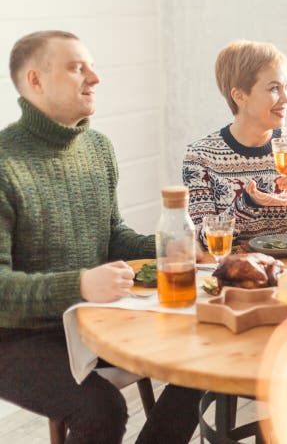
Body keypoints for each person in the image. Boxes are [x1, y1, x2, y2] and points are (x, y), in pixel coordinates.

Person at [0, 30, 202, 443]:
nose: (95, 78)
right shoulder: (5, 163)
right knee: (102, 407)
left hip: (94, 321)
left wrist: (169, 250)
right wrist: (79, 284)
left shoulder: (98, 148)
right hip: (18, 340)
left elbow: (112, 238)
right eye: (77, 68)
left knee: (201, 357)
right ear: (35, 81)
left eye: (91, 66)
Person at [183, 40, 287, 245]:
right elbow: (203, 239)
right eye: (274, 88)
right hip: (240, 273)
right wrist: (248, 203)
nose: (286, 98)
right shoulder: (200, 157)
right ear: (239, 95)